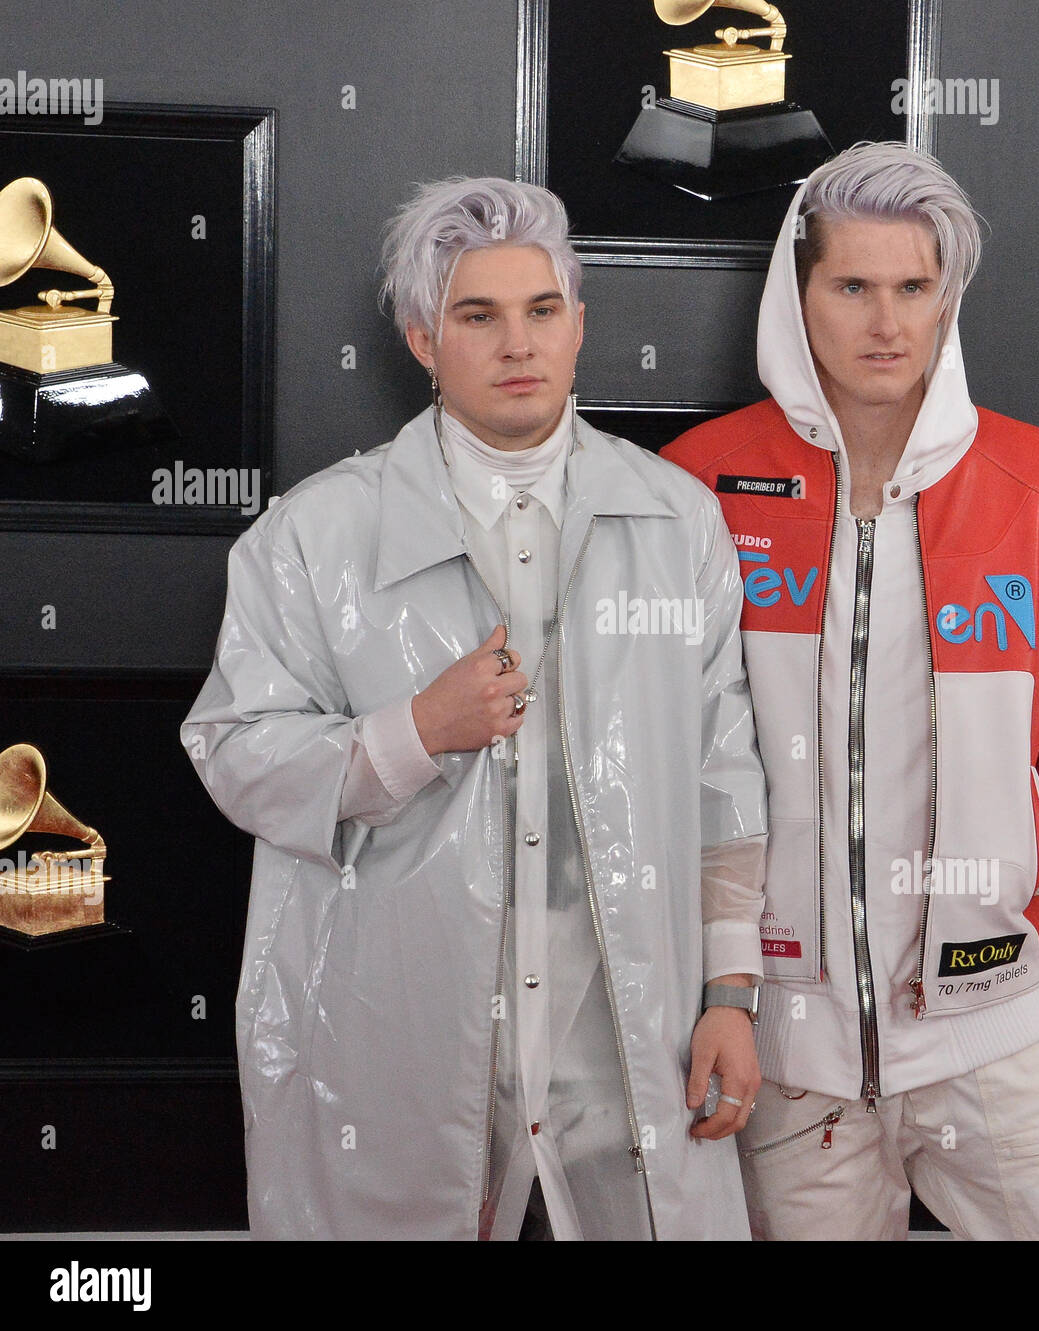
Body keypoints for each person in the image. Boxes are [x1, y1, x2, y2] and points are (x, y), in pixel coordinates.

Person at [180, 177, 768, 1241]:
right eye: (476, 315)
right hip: (405, 1031)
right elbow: (233, 752)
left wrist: (732, 991)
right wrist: (415, 731)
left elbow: (725, 771)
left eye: (542, 310)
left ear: (580, 323)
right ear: (419, 336)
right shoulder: (312, 536)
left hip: (623, 1032)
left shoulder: (679, 522)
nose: (518, 344)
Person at [661, 141, 1039, 1240]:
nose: (884, 321)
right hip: (783, 1044)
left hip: (995, 1021)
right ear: (798, 295)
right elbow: (667, 740)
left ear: (947, 299)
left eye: (912, 288)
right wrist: (727, 979)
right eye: (851, 286)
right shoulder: (697, 481)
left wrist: (1033, 846)